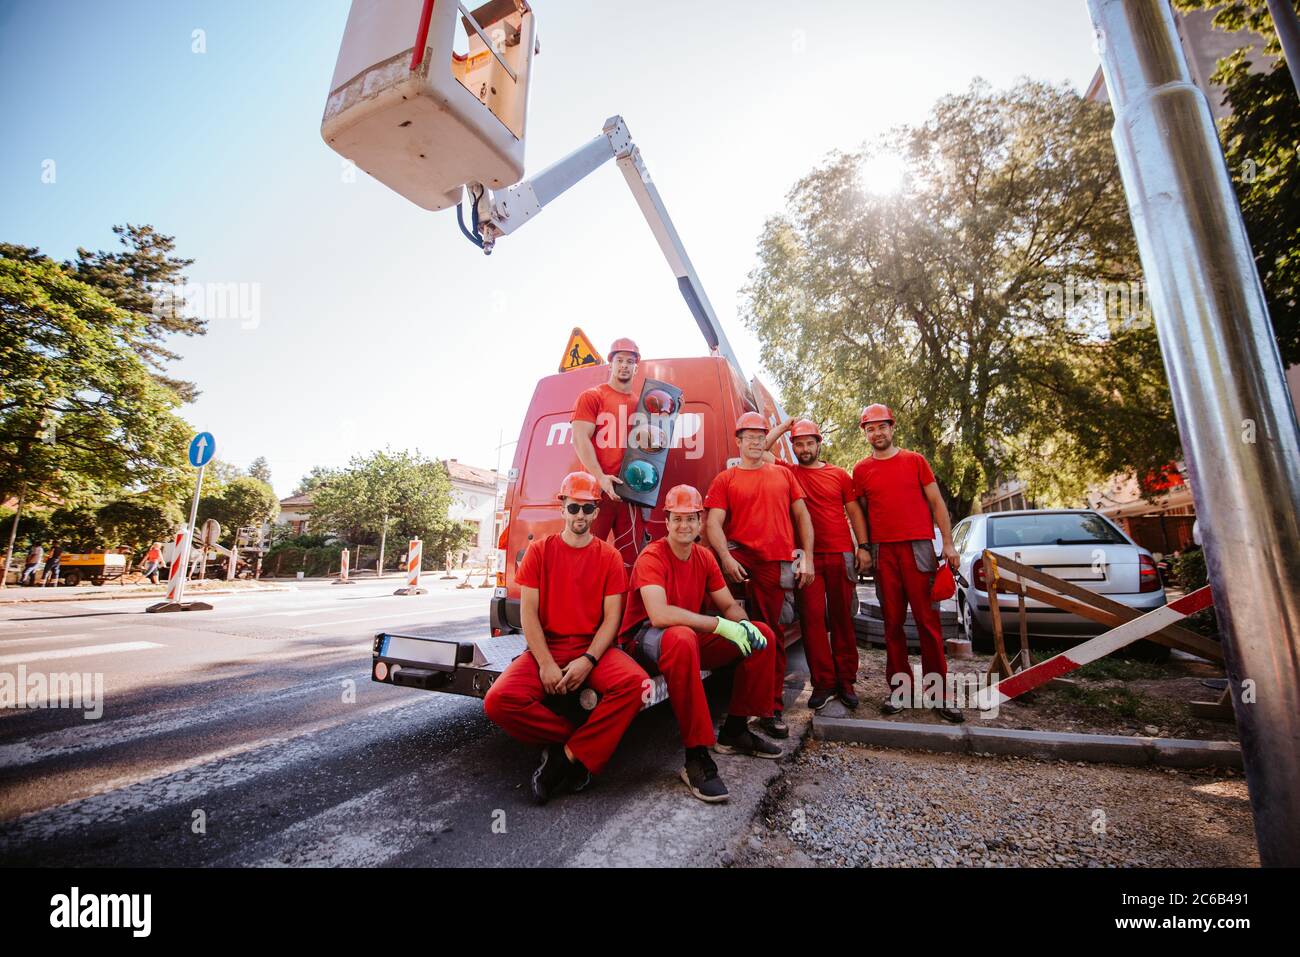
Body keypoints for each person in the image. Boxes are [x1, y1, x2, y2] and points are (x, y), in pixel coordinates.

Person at [483, 470, 649, 804]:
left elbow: (612, 619)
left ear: (596, 513)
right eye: (574, 508)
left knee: (638, 685)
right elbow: (528, 613)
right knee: (498, 701)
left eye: (588, 509)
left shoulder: (609, 557)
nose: (580, 516)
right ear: (562, 508)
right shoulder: (540, 552)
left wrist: (588, 661)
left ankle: (564, 758)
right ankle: (574, 745)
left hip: (593, 649)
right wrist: (544, 663)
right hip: (549, 647)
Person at [621, 484, 781, 803]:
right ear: (666, 522)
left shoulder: (704, 557)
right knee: (681, 637)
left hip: (687, 638)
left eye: (691, 518)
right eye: (677, 519)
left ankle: (735, 730)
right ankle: (696, 756)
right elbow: (660, 613)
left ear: (699, 522)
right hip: (645, 640)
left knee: (763, 636)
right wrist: (721, 626)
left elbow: (728, 605)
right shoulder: (652, 555)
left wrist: (743, 625)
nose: (684, 525)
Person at [704, 412, 815, 739]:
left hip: (775, 563)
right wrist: (724, 557)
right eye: (748, 436)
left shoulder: (782, 475)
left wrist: (806, 556)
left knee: (774, 636)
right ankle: (733, 702)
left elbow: (802, 516)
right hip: (741, 558)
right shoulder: (726, 479)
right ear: (738, 442)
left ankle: (771, 709)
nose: (754, 441)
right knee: (733, 629)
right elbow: (712, 523)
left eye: (759, 436)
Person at [850, 404, 963, 723]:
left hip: (919, 549)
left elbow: (937, 502)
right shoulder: (861, 470)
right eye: (870, 428)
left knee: (929, 622)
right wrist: (865, 548)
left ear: (892, 427)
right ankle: (899, 690)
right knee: (893, 624)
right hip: (884, 551)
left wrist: (949, 543)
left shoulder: (915, 461)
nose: (877, 433)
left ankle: (940, 694)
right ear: (865, 433)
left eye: (881, 426)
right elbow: (859, 513)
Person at [764, 417, 865, 711]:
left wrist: (865, 547)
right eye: (799, 444)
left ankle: (846, 680)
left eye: (809, 442)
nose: (804, 448)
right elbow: (763, 450)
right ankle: (823, 683)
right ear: (793, 447)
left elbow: (854, 512)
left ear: (819, 444)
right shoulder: (789, 472)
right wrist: (783, 428)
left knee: (842, 618)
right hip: (804, 558)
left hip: (840, 552)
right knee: (811, 621)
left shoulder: (839, 475)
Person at [570, 337, 650, 569]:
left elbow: (651, 443)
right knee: (586, 560)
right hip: (596, 493)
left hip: (628, 495)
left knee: (630, 563)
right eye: (620, 360)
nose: (624, 365)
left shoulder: (641, 405)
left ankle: (620, 607)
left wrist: (669, 412)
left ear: (636, 367)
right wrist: (601, 477)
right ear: (611, 365)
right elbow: (579, 438)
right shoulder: (592, 396)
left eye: (630, 361)